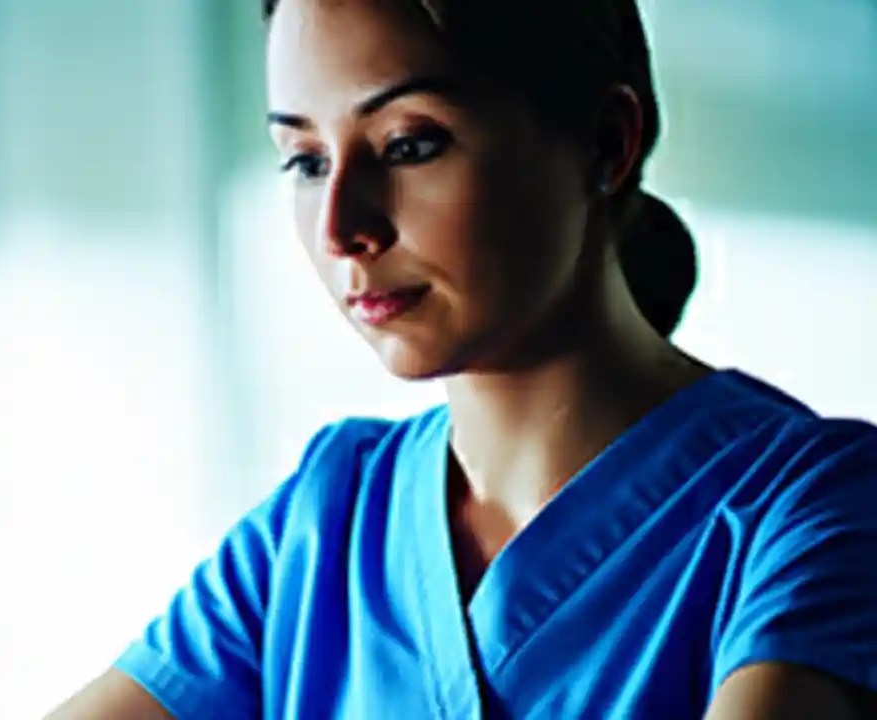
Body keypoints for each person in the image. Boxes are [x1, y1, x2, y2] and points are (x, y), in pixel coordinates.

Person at [46, 0, 877, 717]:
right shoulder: (322, 525)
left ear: (605, 141)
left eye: (409, 145)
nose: (341, 229)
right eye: (306, 161)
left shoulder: (814, 510)